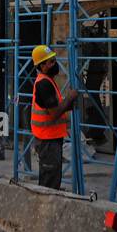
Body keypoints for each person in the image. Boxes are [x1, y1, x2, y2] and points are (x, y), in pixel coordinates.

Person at [30, 44, 79, 189]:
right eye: (51, 61)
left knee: (51, 178)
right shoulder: (44, 84)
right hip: (47, 141)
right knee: (48, 183)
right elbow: (54, 113)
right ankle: (44, 209)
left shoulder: (48, 81)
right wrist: (69, 98)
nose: (54, 63)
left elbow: (55, 108)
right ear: (42, 65)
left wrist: (68, 104)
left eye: (54, 59)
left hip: (50, 139)